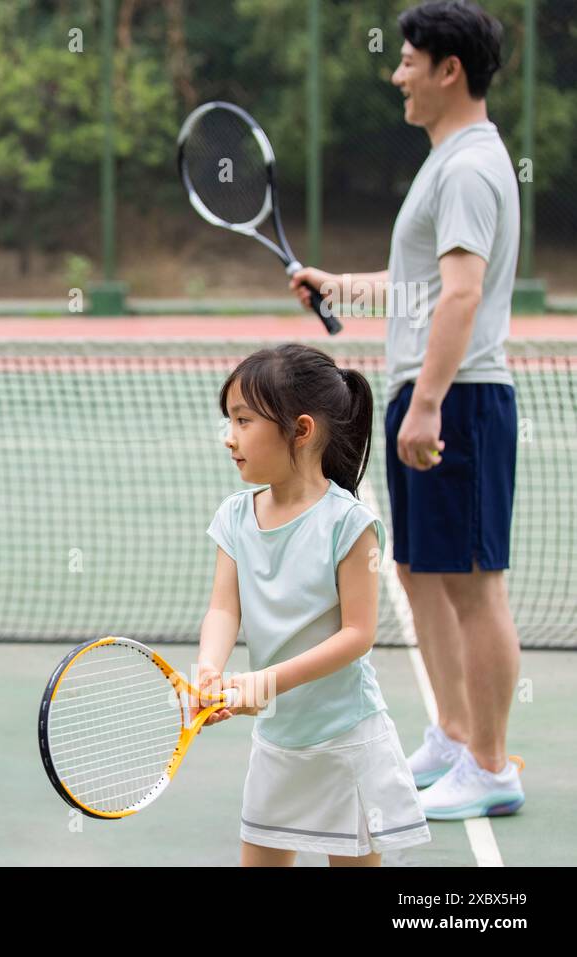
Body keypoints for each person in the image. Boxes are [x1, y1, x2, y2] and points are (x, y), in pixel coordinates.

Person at [290, 0, 525, 819]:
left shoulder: (465, 165)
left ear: (447, 70)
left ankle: (491, 766)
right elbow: (425, 285)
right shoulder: (447, 162)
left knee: (472, 584)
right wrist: (340, 286)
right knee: (422, 572)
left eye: (408, 60)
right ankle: (455, 735)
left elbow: (461, 296)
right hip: (425, 395)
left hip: (455, 398)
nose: (397, 75)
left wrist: (426, 406)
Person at [197, 344, 431, 866]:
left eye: (243, 420)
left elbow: (357, 635)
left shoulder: (350, 525)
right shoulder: (234, 517)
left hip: (345, 737)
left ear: (300, 430)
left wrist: (266, 682)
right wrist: (211, 667)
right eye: (228, 420)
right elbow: (223, 608)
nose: (228, 437)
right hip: (278, 739)